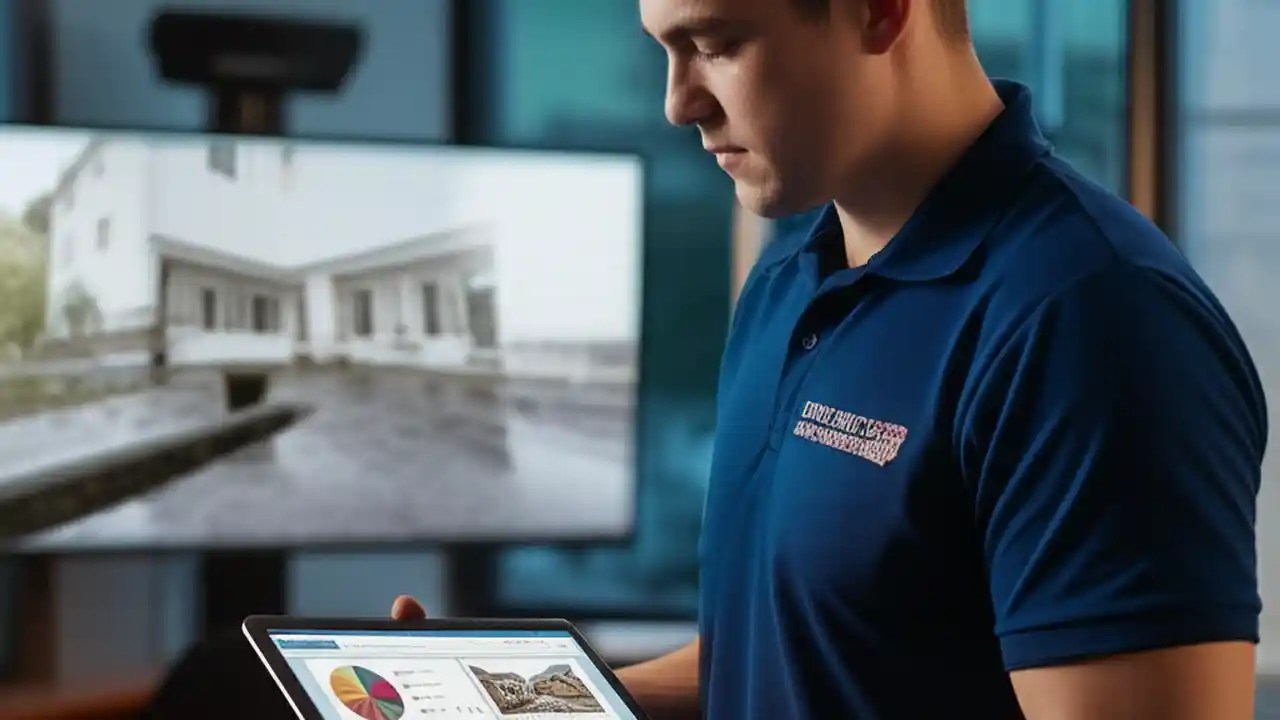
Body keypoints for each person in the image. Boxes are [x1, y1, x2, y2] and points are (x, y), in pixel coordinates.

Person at [395, 0, 1268, 717]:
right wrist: (517, 706)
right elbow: (799, 644)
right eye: (667, 50)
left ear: (882, 12)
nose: (678, 102)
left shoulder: (1088, 318)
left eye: (717, 44)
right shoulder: (788, 273)